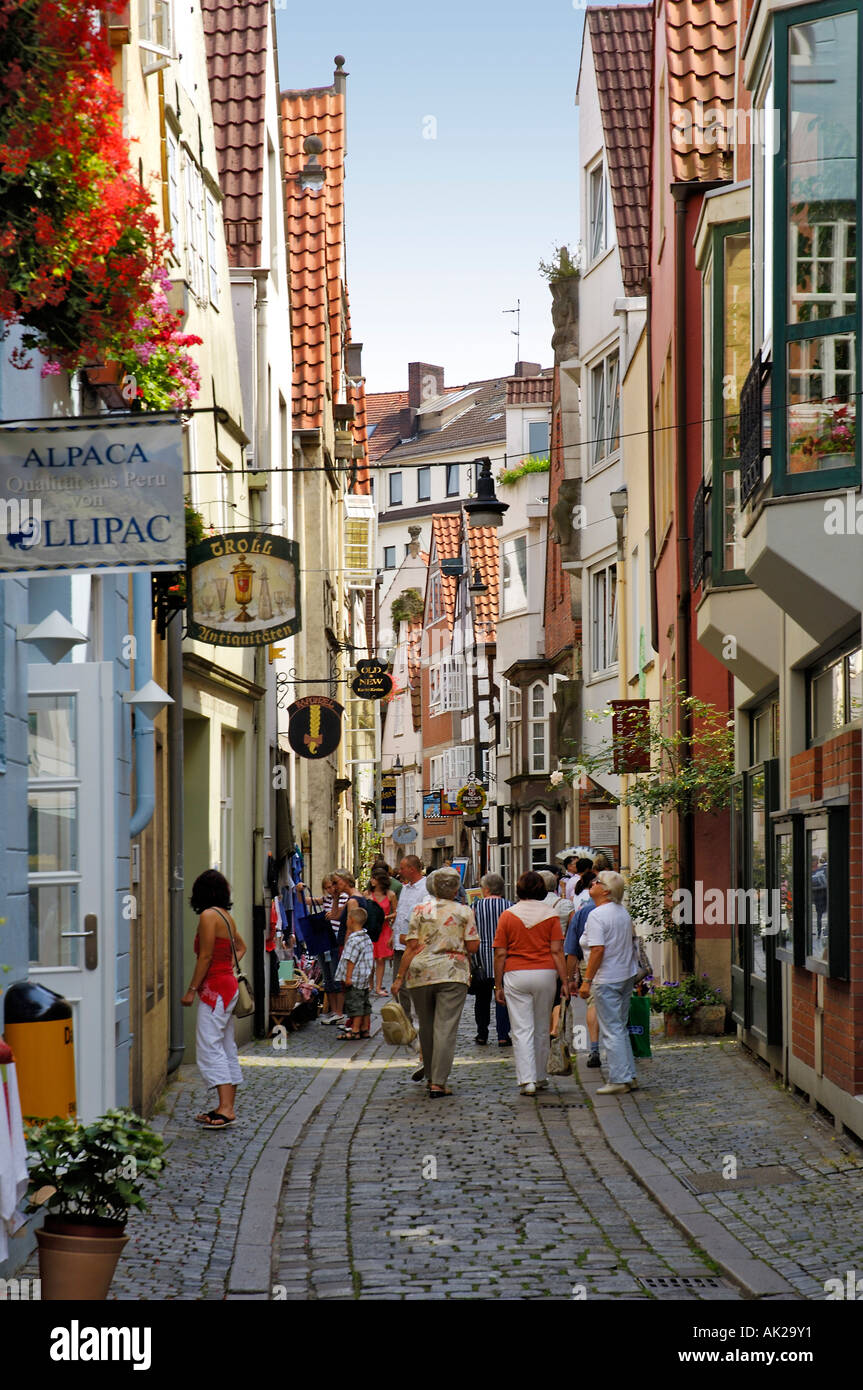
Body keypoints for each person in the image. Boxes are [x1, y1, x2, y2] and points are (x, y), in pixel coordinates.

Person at [392, 867, 479, 1097]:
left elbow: (410, 945)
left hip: (420, 972)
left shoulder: (420, 909)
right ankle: (438, 1082)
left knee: (427, 1026)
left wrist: (399, 977)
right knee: (446, 1027)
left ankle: (430, 1074)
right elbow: (472, 946)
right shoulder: (463, 911)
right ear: (455, 888)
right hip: (452, 972)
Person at [493, 870, 570, 1097]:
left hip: (516, 974)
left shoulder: (508, 915)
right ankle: (540, 1075)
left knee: (521, 1028)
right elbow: (557, 950)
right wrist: (565, 980)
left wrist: (498, 985)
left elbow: (500, 953)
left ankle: (527, 1080)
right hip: (545, 973)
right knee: (542, 1026)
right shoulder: (551, 914)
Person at [183, 869, 246, 1129]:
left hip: (215, 991)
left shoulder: (209, 916)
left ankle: (226, 1108)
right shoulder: (225, 916)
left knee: (210, 1045)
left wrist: (191, 989)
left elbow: (205, 957)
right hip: (227, 986)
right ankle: (226, 1105)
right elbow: (240, 947)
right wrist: (227, 966)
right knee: (225, 1045)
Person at [577, 870, 639, 1094]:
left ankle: (619, 1078)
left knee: (612, 1029)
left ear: (606, 890)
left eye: (597, 882)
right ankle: (628, 1074)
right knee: (619, 1027)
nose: (592, 884)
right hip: (624, 974)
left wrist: (587, 981)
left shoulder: (597, 915)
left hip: (607, 977)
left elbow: (597, 950)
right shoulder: (621, 912)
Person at [472, 872, 512, 1047]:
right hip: (504, 959)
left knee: (481, 999)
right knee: (502, 997)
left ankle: (482, 1033)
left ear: (486, 889)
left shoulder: (476, 907)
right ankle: (503, 1035)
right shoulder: (509, 906)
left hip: (481, 959)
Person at [564, 888, 601, 1066]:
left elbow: (571, 950)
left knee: (593, 1004)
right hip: (618, 966)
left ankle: (594, 1048)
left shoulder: (582, 913)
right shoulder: (620, 911)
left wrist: (570, 979)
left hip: (589, 964)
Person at [389, 855, 428, 1019]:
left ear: (412, 869)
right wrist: (394, 934)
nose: (399, 870)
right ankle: (405, 1019)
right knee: (399, 984)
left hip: (416, 945)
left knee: (417, 983)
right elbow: (401, 914)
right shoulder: (405, 888)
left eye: (403, 867)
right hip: (400, 943)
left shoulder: (425, 888)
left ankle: (417, 1018)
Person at [335, 902, 374, 1040]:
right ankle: (365, 1029)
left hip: (355, 978)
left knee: (355, 1005)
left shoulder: (353, 941)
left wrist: (348, 977)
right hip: (363, 978)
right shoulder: (366, 938)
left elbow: (350, 960)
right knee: (365, 1004)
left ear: (351, 921)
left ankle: (355, 1030)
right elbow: (370, 960)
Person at [369, 867, 397, 994]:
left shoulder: (391, 895)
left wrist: (386, 917)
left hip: (384, 929)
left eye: (374, 878)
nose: (371, 880)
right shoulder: (367, 895)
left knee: (380, 959)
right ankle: (369, 984)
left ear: (380, 880)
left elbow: (397, 913)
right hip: (371, 929)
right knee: (370, 958)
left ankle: (378, 986)